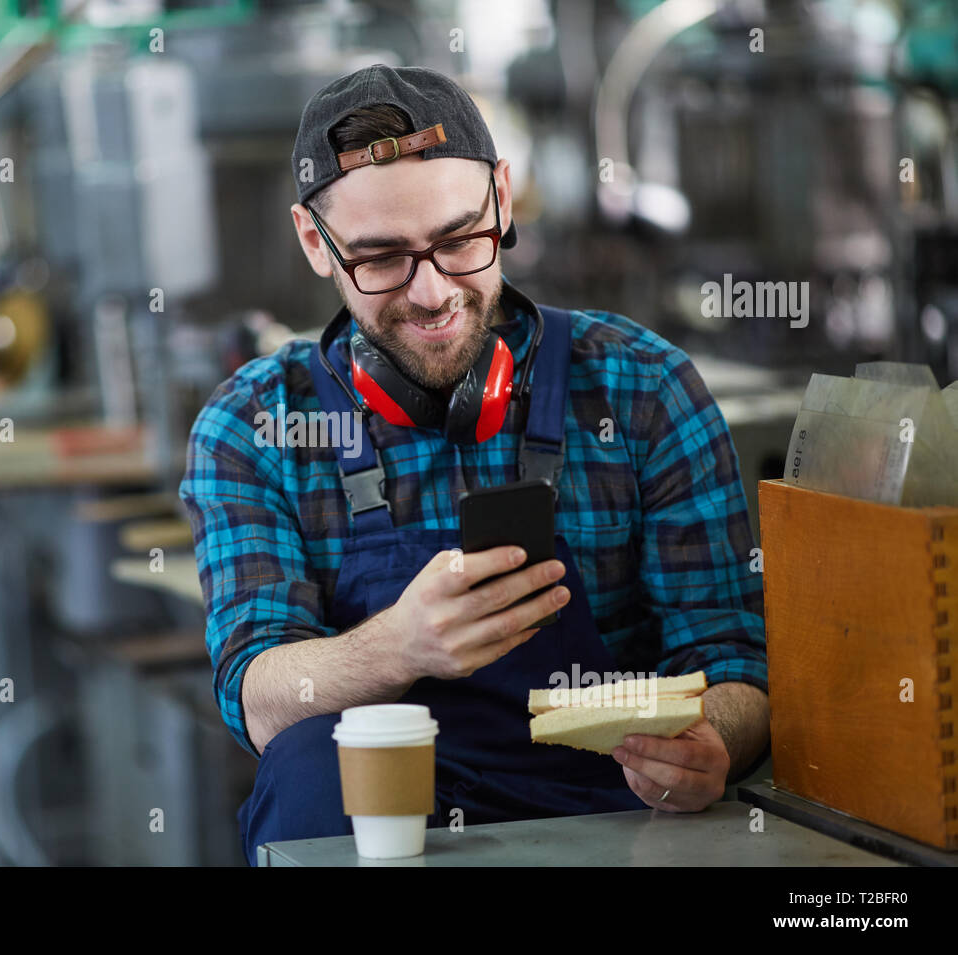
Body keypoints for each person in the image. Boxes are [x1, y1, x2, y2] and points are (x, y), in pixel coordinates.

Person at [178, 64, 769, 867]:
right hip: (390, 831)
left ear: (503, 197)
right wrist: (399, 647)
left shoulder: (643, 389)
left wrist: (715, 743)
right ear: (316, 243)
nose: (432, 293)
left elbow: (733, 663)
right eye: (381, 257)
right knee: (310, 765)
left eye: (459, 241)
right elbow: (259, 700)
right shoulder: (256, 426)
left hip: (619, 826)